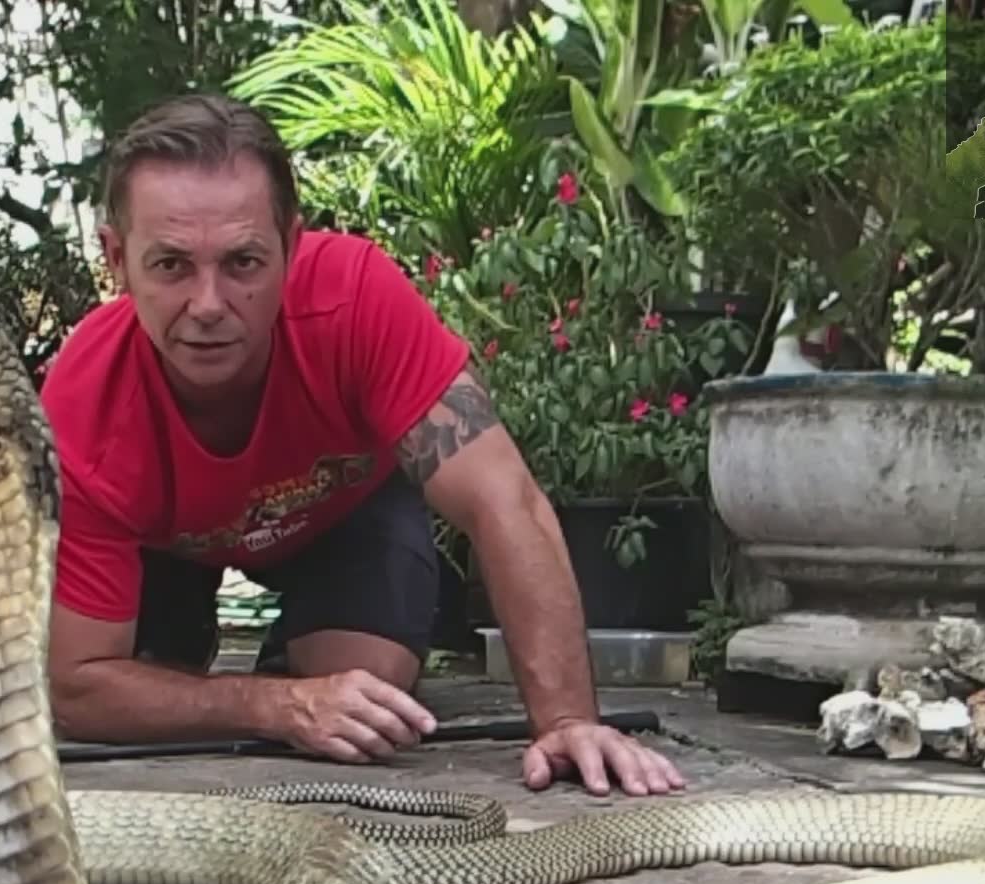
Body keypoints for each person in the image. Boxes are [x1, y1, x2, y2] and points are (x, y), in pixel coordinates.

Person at [39, 93, 685, 798]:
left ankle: (297, 662)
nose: (209, 306)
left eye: (244, 263)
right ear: (116, 259)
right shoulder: (83, 402)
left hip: (344, 517)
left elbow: (504, 499)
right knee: (143, 690)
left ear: (291, 244)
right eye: (170, 266)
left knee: (366, 703)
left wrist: (567, 720)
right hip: (164, 549)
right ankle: (234, 667)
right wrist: (271, 704)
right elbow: (78, 689)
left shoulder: (356, 297)